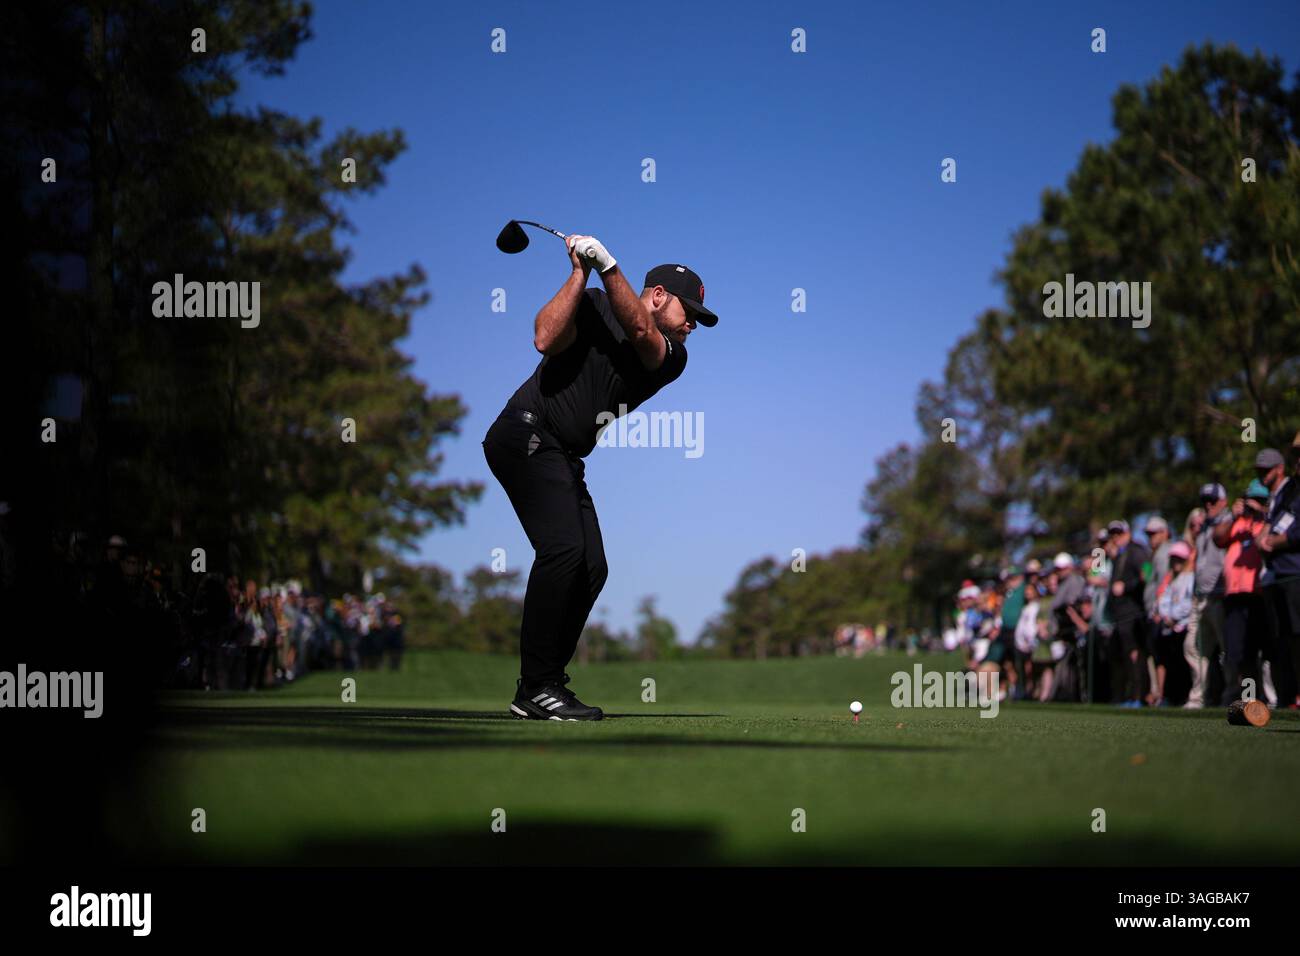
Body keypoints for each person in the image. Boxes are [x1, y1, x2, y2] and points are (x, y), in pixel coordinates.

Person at [483, 234, 716, 721]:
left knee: (592, 567)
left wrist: (609, 264)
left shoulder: (672, 354)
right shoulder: (591, 303)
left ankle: (542, 683)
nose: (692, 322)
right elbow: (544, 337)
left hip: (563, 454)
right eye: (687, 310)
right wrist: (579, 273)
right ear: (657, 296)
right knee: (565, 550)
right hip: (523, 435)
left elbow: (641, 335)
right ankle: (538, 686)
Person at [1215, 480, 1272, 703]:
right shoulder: (1237, 523)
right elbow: (1218, 537)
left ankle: (1273, 697)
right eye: (1250, 500)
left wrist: (1262, 511)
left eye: (1258, 500)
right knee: (1239, 654)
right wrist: (1232, 515)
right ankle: (1248, 700)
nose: (1252, 504)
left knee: (1265, 651)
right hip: (1234, 596)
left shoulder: (1267, 521)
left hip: (1259, 595)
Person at [1255, 446, 1300, 708]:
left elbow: (1294, 532)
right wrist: (1265, 537)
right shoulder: (1286, 493)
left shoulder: (1294, 491)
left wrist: (1275, 541)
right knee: (1284, 640)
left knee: (1297, 636)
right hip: (1278, 575)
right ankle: (1287, 696)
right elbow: (1278, 523)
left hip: (1294, 573)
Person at [1186, 483, 1229, 708]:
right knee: (1193, 648)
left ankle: (1232, 696)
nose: (1208, 505)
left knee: (1226, 649)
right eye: (1205, 501)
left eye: (1213, 500)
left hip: (1219, 595)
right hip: (1200, 598)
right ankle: (1198, 697)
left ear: (1224, 501)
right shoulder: (1203, 528)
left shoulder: (1228, 522)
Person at [1106, 520, 1150, 706]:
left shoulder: (1136, 551)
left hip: (1132, 612)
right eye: (1113, 535)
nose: (1116, 538)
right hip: (1118, 613)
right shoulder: (1115, 555)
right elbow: (1094, 574)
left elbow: (1147, 573)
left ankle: (1138, 696)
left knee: (1135, 654)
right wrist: (1102, 554)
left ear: (1128, 533)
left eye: (1119, 534)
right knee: (1121, 655)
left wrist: (1127, 586)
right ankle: (1128, 695)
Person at [1152, 540, 1194, 707]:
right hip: (1170, 629)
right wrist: (1165, 616)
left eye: (1180, 559)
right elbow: (1164, 600)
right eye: (1174, 559)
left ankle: (1185, 696)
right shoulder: (1172, 580)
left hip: (1183, 626)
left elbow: (1189, 603)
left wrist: (1174, 617)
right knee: (1171, 664)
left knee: (1183, 665)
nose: (1176, 563)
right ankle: (1172, 697)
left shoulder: (1190, 578)